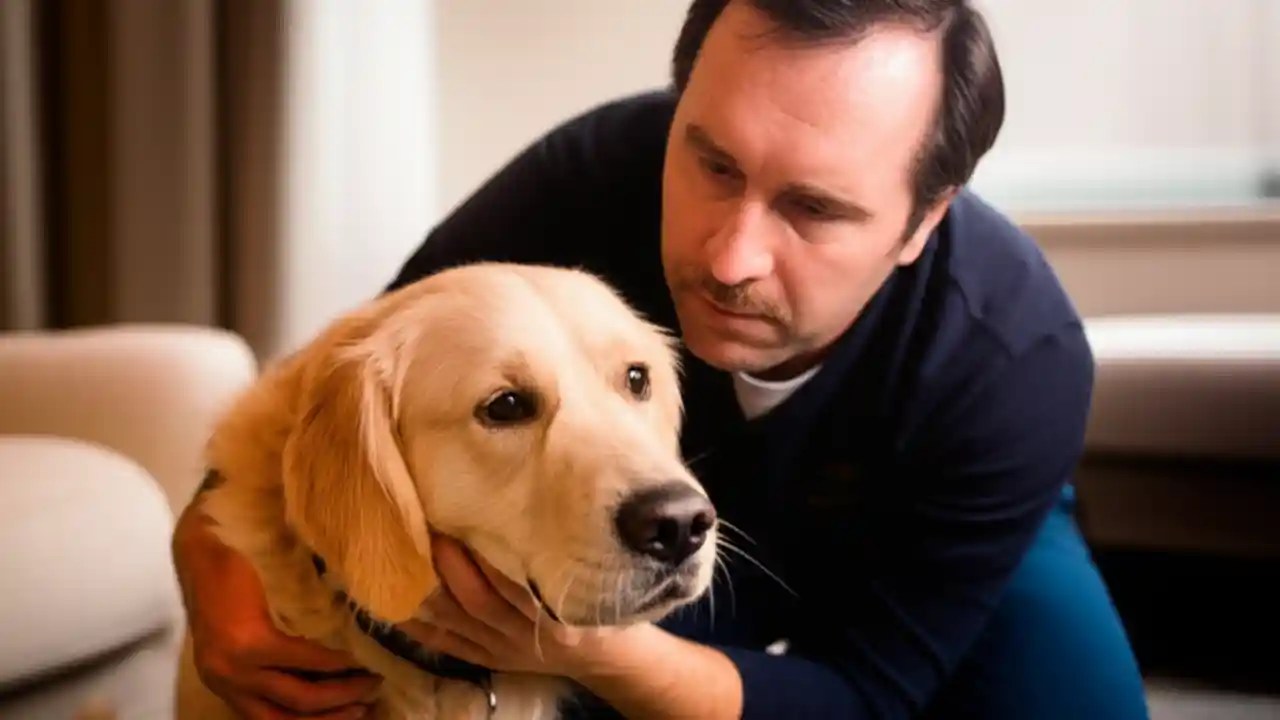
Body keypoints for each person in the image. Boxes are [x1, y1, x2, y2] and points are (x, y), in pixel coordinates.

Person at [171, 1, 1153, 718]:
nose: (728, 259)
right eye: (710, 163)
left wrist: (598, 653)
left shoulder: (1013, 358)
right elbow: (341, 383)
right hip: (606, 519)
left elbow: (861, 692)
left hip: (917, 516)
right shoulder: (583, 178)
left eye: (812, 208)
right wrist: (206, 545)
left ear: (921, 221)